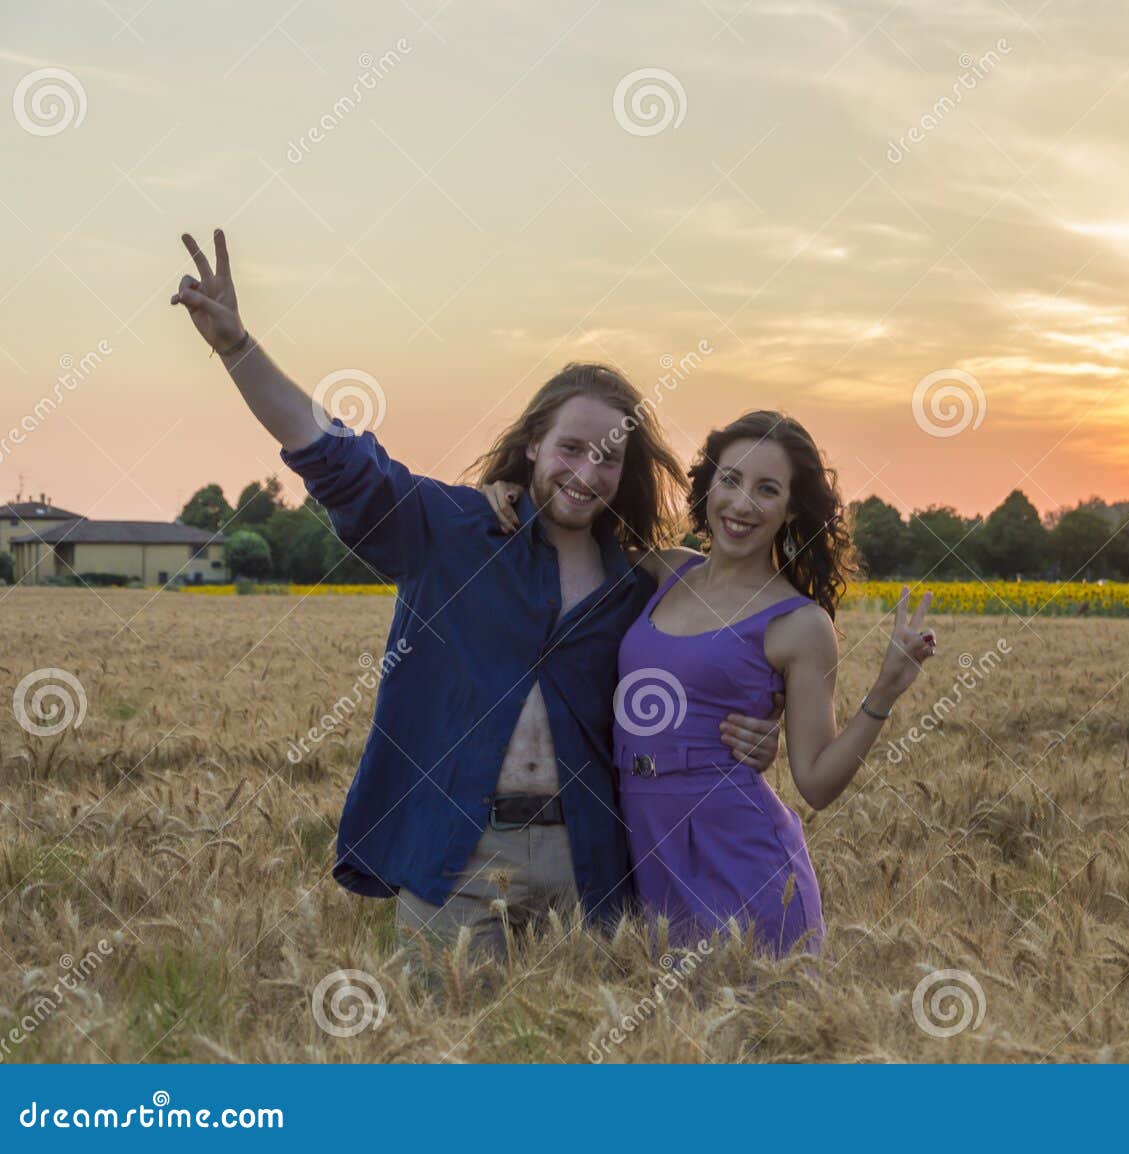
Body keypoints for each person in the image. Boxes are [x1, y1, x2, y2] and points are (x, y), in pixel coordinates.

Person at [169, 229, 783, 962]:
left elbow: (753, 610)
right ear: (532, 445)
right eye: (570, 448)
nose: (586, 471)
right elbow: (334, 455)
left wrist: (765, 716)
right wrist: (238, 349)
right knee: (440, 1061)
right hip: (456, 854)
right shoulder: (452, 530)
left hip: (587, 869)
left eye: (608, 458)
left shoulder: (640, 585)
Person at [483, 411, 937, 955]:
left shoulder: (799, 624)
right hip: (644, 848)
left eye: (767, 489)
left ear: (792, 507)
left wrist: (885, 692)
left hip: (739, 859)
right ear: (710, 485)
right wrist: (506, 492)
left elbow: (816, 782)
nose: (742, 504)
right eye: (731, 480)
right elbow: (564, 538)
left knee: (752, 1027)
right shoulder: (665, 570)